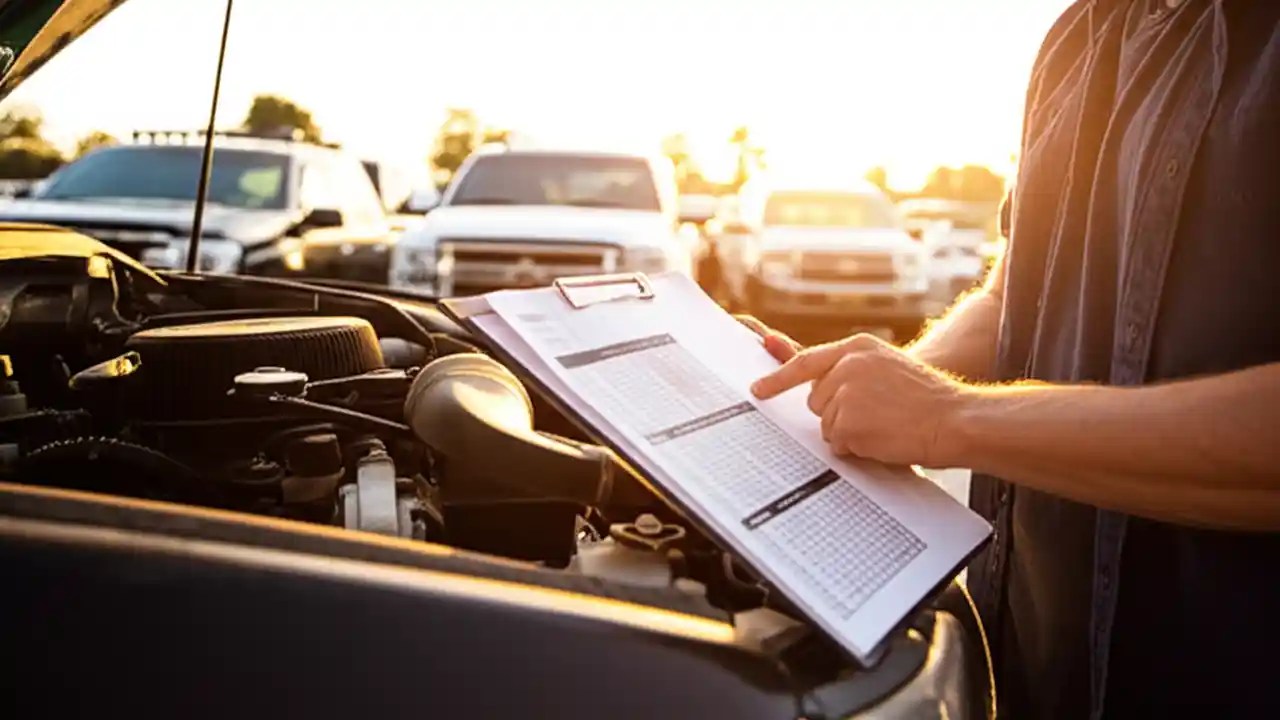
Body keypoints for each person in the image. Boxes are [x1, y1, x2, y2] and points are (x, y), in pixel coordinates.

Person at [743, 1, 1279, 717]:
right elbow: (1013, 296)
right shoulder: (1077, 36)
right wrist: (859, 394)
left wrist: (946, 419)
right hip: (1032, 673)